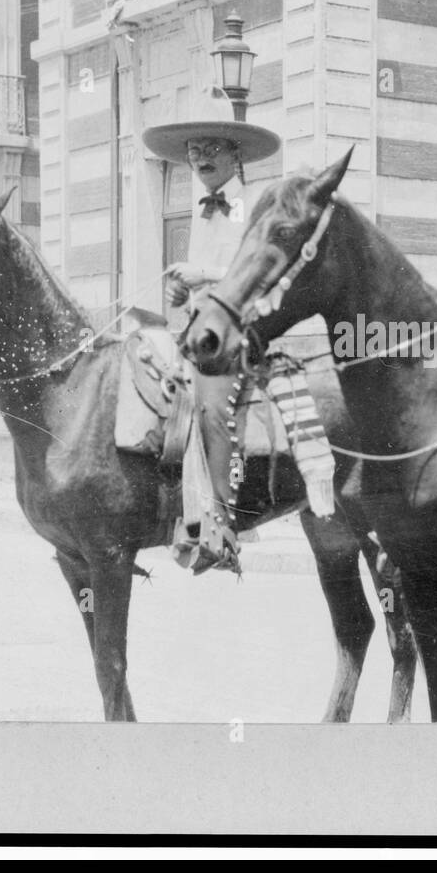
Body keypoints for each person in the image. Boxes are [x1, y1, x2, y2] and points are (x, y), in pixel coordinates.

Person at [141, 90, 281, 569]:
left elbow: (258, 276)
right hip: (204, 334)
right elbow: (202, 284)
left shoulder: (249, 207)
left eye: (212, 149)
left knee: (210, 404)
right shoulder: (203, 208)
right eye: (194, 151)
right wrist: (184, 297)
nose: (201, 158)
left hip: (243, 331)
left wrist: (202, 278)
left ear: (235, 155)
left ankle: (220, 525)